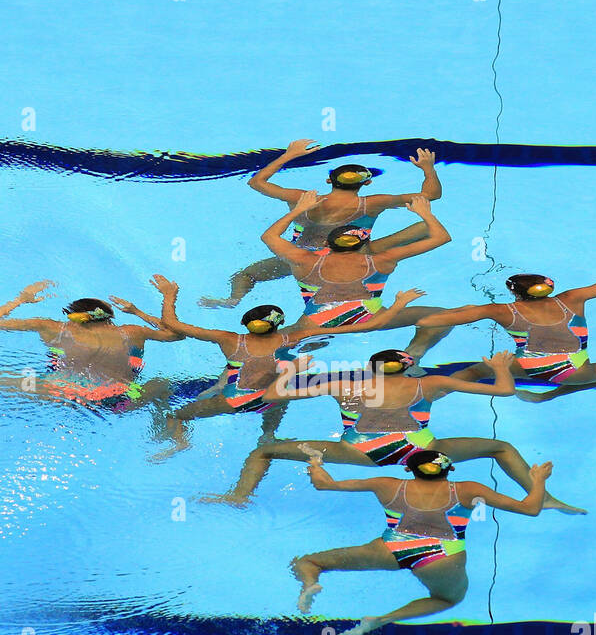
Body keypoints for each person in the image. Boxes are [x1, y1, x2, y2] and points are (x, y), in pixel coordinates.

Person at [203, 347, 586, 515]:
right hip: (420, 452)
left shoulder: (344, 384)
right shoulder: (432, 383)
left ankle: (238, 496)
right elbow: (504, 390)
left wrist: (293, 369)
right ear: (407, 367)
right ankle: (544, 497)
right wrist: (501, 364)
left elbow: (272, 394)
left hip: (359, 453)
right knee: (499, 447)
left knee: (265, 451)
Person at [293, 447, 557, 635]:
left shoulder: (386, 484)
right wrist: (538, 479)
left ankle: (308, 585)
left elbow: (325, 484)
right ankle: (379, 620)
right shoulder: (467, 489)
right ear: (450, 469)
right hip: (442, 556)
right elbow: (531, 509)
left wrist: (314, 461)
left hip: (391, 548)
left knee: (309, 562)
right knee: (447, 599)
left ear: (408, 470)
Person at [149, 274, 427, 459]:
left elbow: (174, 325)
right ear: (278, 324)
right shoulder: (294, 336)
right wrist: (399, 303)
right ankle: (268, 434)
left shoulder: (228, 340)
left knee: (179, 415)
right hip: (272, 400)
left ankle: (179, 443)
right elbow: (371, 325)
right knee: (283, 384)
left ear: (245, 324)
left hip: (236, 400)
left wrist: (169, 294)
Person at [0, 280, 182, 438]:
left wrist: (21, 299)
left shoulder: (52, 328)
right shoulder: (132, 332)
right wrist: (153, 304)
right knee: (164, 385)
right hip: (121, 401)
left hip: (61, 393)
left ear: (73, 317)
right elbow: (174, 334)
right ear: (109, 316)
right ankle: (169, 437)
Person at [199, 139, 442, 308]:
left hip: (302, 258)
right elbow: (431, 195)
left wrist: (289, 155)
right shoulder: (372, 203)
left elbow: (257, 182)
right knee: (425, 227)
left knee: (248, 275)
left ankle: (232, 301)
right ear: (366, 183)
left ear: (329, 180)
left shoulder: (301, 198)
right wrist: (428, 170)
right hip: (352, 258)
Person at [418, 247, 596, 401]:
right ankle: (547, 396)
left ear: (514, 293)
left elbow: (438, 320)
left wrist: (421, 317)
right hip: (573, 373)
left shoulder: (501, 310)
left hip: (524, 366)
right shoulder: (571, 298)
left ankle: (433, 397)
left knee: (475, 371)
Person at [258, 190, 454, 358]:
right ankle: (413, 356)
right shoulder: (382, 259)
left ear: (327, 244)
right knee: (442, 317)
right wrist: (425, 213)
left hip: (316, 321)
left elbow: (268, 236)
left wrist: (299, 209)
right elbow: (441, 237)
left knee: (269, 346)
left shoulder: (303, 259)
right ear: (366, 245)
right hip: (369, 316)